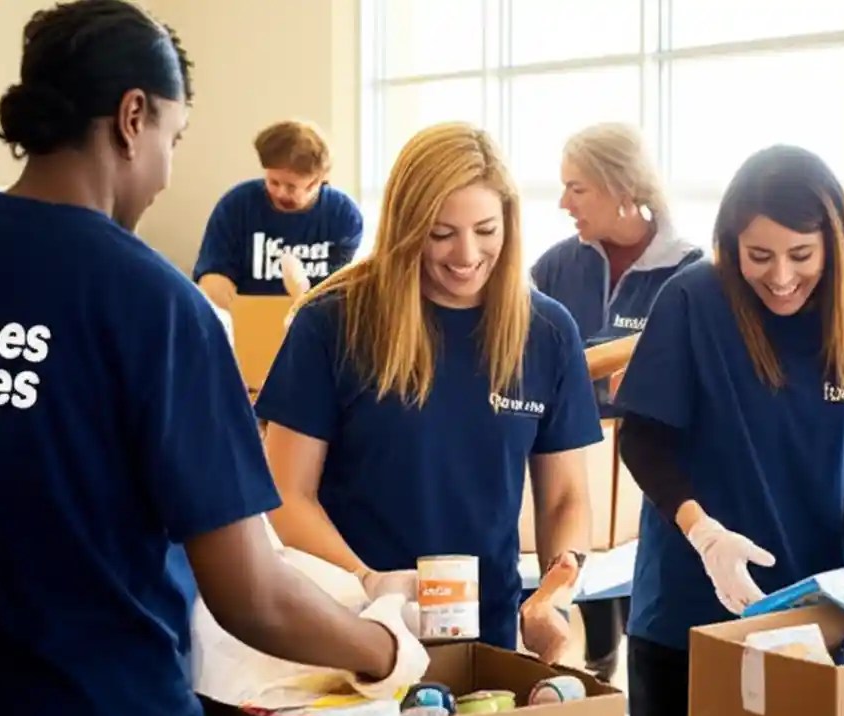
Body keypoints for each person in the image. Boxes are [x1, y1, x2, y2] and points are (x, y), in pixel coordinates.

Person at [0, 2, 425, 716]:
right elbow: (252, 597)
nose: (166, 172)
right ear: (134, 117)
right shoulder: (160, 309)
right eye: (174, 137)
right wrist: (384, 647)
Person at [255, 121, 602, 662]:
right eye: (441, 233)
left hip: (484, 640)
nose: (466, 255)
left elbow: (564, 498)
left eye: (486, 230)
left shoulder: (547, 333)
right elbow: (286, 493)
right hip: (350, 633)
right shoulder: (332, 323)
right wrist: (368, 584)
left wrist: (555, 593)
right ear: (405, 224)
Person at [613, 145, 844, 716]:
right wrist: (704, 534)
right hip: (691, 618)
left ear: (834, 244)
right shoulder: (692, 301)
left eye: (802, 255)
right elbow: (641, 439)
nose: (781, 278)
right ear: (731, 243)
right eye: (758, 255)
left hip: (825, 619)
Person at [529, 122, 702, 682]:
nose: (563, 203)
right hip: (565, 462)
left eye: (576, 188)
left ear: (620, 185)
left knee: (627, 615)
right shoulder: (557, 265)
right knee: (575, 605)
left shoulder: (688, 270)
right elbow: (520, 347)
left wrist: (585, 362)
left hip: (642, 471)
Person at [194, 119, 363, 312]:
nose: (280, 193)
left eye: (291, 187)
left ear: (317, 181)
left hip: (314, 327)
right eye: (273, 182)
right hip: (246, 325)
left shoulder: (344, 215)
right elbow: (213, 278)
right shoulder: (236, 206)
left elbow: (339, 294)